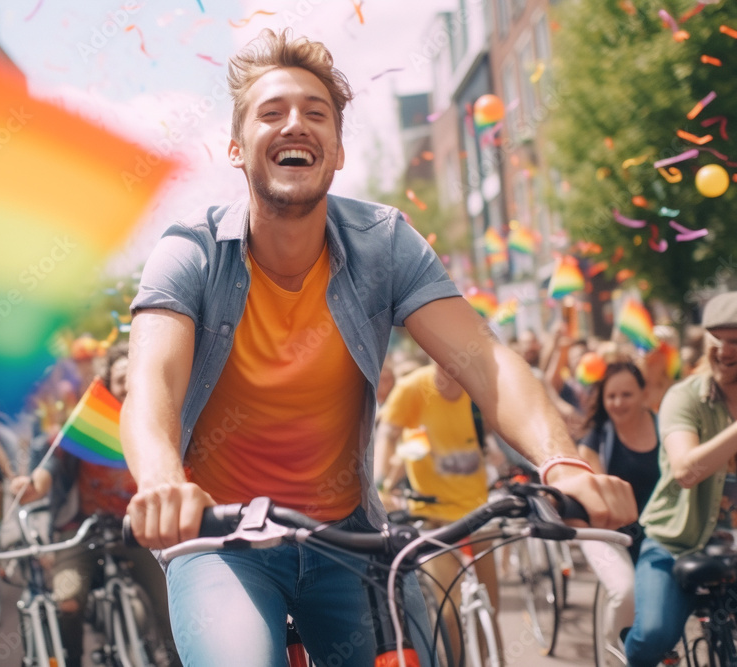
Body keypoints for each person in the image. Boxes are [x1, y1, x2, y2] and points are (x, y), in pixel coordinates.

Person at [120, 28, 636, 667]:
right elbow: (152, 387)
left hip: (348, 538)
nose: (295, 125)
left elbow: (484, 361)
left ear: (336, 151)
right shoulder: (190, 251)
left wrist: (563, 465)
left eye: (316, 114)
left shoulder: (385, 243)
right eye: (271, 112)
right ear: (235, 146)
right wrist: (165, 484)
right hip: (222, 542)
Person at [10, 343, 178, 667]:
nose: (128, 385)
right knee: (67, 601)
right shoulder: (89, 420)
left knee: (168, 602)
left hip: (138, 530)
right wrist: (34, 486)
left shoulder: (157, 420)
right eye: (120, 379)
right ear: (107, 384)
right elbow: (51, 466)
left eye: (134, 377)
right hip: (82, 531)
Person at [625, 292, 737, 666]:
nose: (723, 351)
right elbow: (686, 470)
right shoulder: (684, 397)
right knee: (654, 635)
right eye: (715, 339)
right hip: (676, 540)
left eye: (734, 341)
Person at [375, 362, 503, 661]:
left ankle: (492, 658)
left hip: (477, 509)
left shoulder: (475, 384)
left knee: (490, 606)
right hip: (431, 512)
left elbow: (490, 427)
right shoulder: (412, 388)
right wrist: (381, 485)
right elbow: (387, 435)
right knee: (449, 609)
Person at [575, 361, 661, 656]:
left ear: (643, 393)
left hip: (659, 533)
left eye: (627, 394)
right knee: (626, 593)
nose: (618, 402)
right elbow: (598, 504)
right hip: (607, 533)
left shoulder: (666, 428)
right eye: (611, 396)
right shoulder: (595, 440)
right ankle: (615, 655)